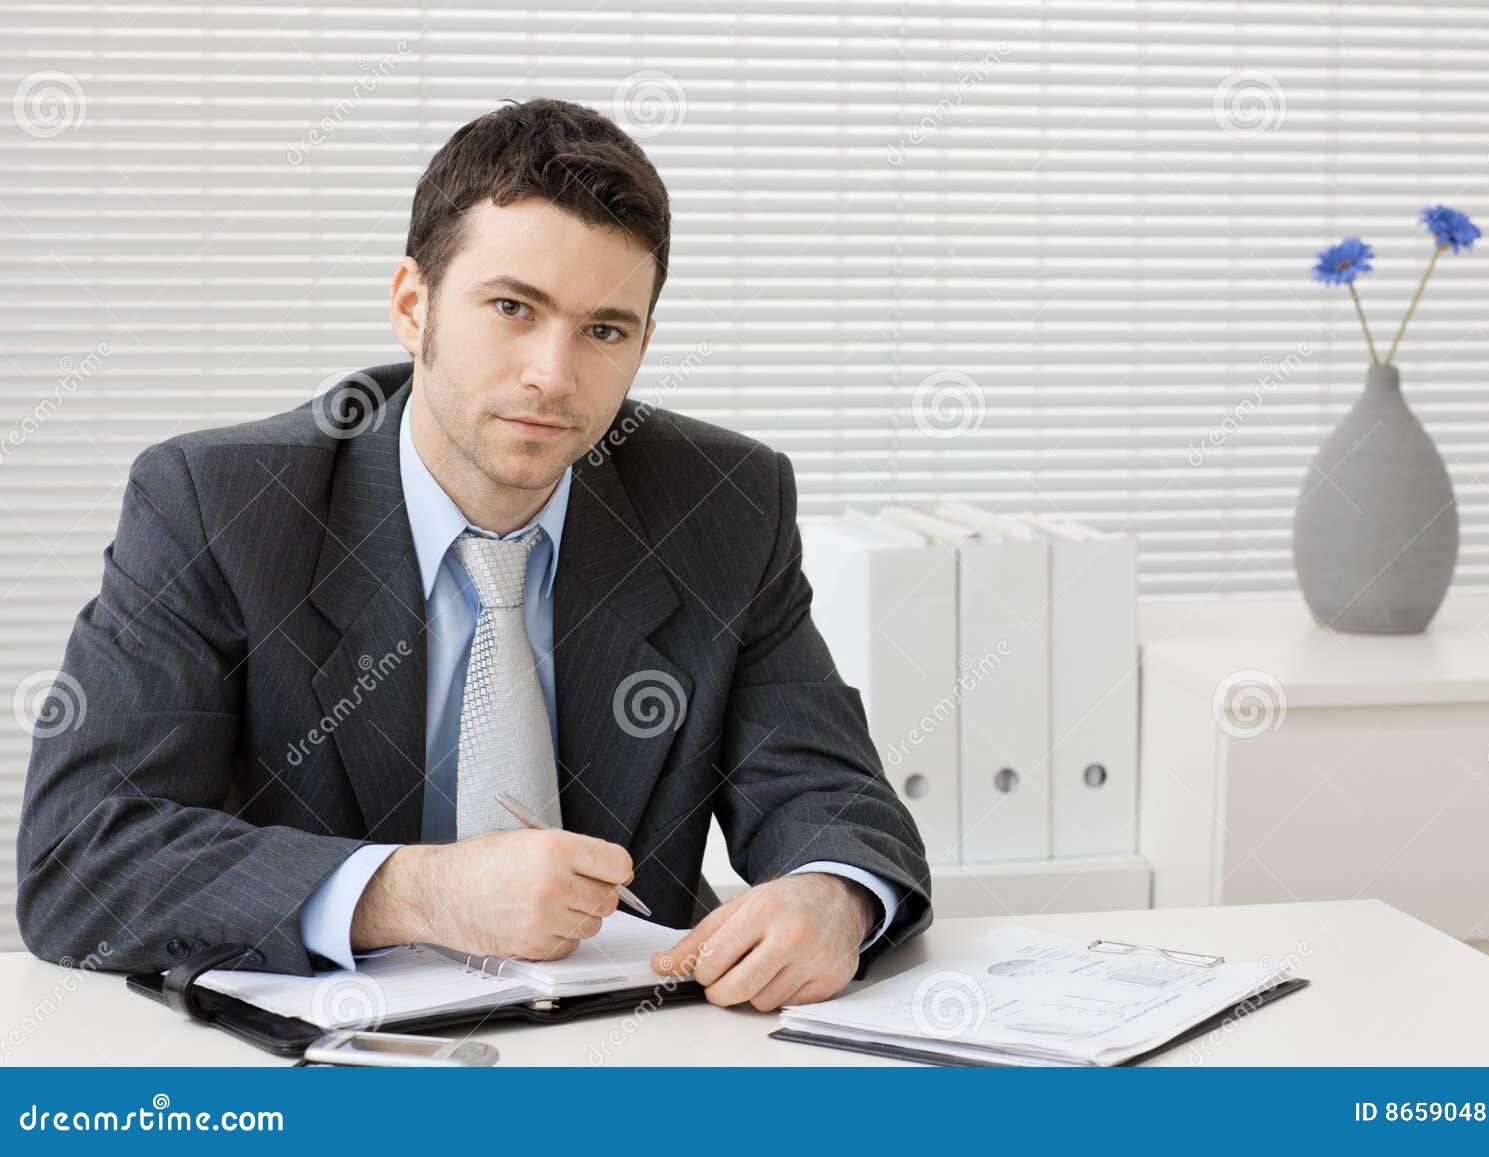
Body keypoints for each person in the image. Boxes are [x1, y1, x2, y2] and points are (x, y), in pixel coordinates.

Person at [16, 97, 931, 1012]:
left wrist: (836, 895)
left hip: (638, 1046)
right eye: (511, 307)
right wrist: (414, 890)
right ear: (413, 306)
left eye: (604, 330)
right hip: (336, 1067)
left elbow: (827, 790)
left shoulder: (724, 505)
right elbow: (83, 854)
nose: (553, 375)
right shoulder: (220, 503)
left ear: (644, 343)